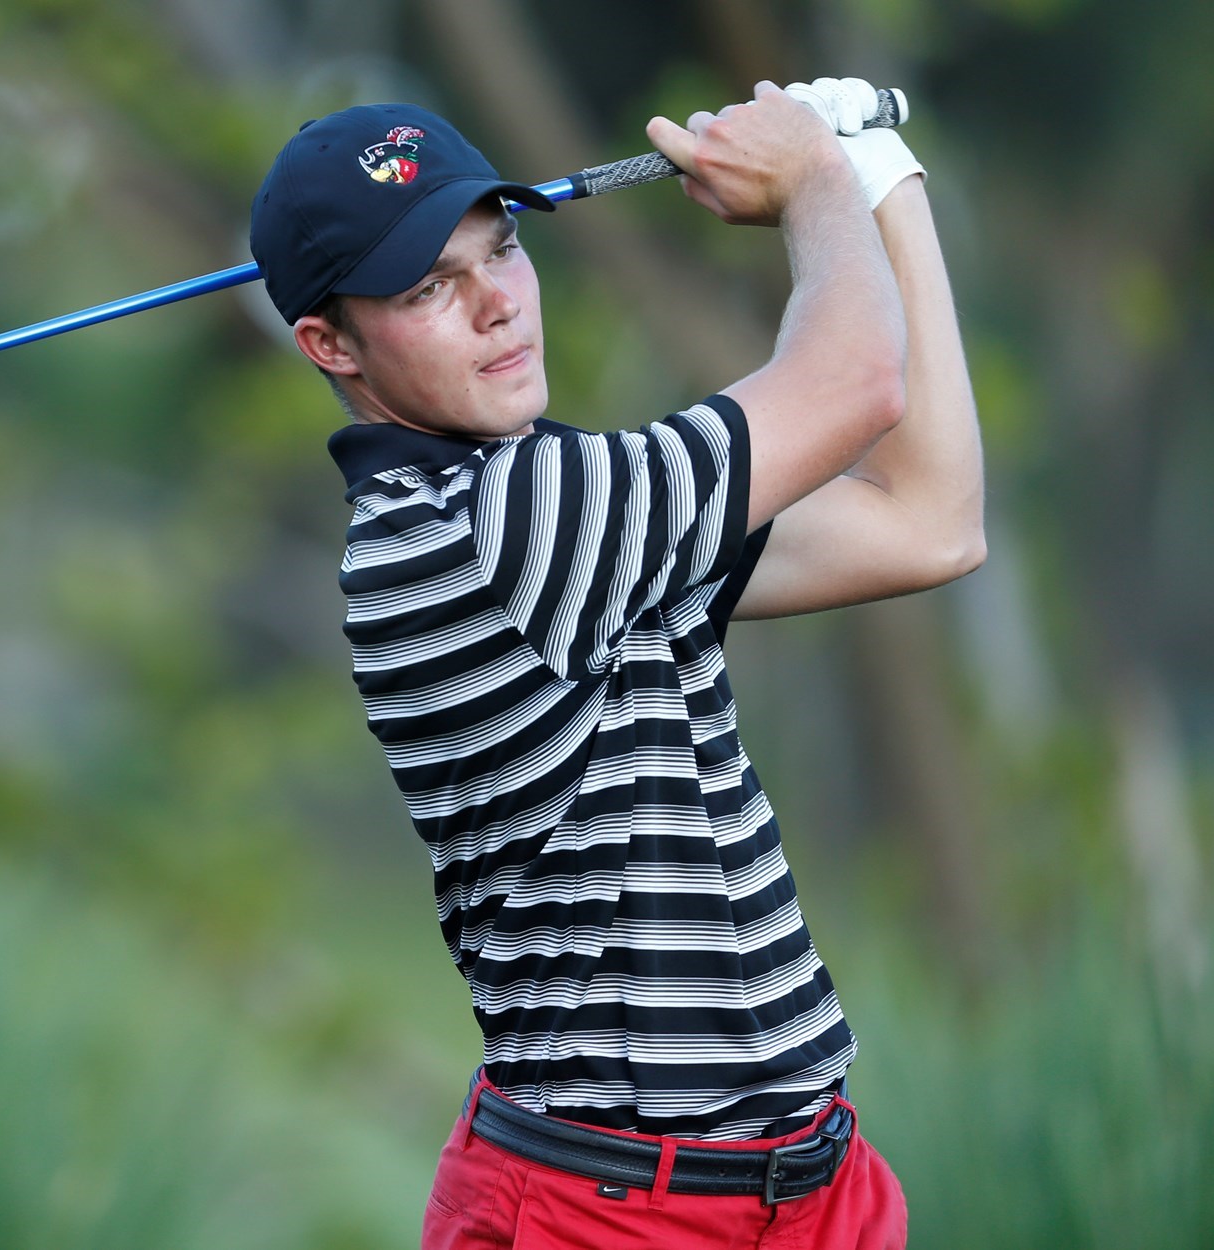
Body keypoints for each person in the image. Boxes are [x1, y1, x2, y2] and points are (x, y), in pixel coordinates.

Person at [247, 79, 982, 1249]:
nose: (496, 305)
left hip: (809, 1188)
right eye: (427, 286)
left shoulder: (587, 510)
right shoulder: (495, 528)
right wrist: (812, 182)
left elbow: (929, 519)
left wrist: (883, 185)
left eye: (502, 251)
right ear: (329, 342)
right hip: (608, 1213)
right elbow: (853, 383)